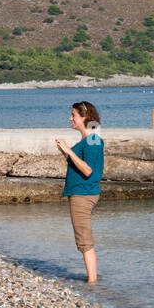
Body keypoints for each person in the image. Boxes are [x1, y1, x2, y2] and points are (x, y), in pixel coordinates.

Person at [55, 101, 104, 283]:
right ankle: (92, 280)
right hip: (81, 192)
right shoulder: (88, 139)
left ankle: (92, 282)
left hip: (83, 194)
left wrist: (69, 150)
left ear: (84, 118)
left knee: (84, 238)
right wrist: (66, 152)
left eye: (73, 115)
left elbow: (88, 170)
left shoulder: (92, 141)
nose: (70, 118)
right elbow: (80, 164)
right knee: (83, 237)